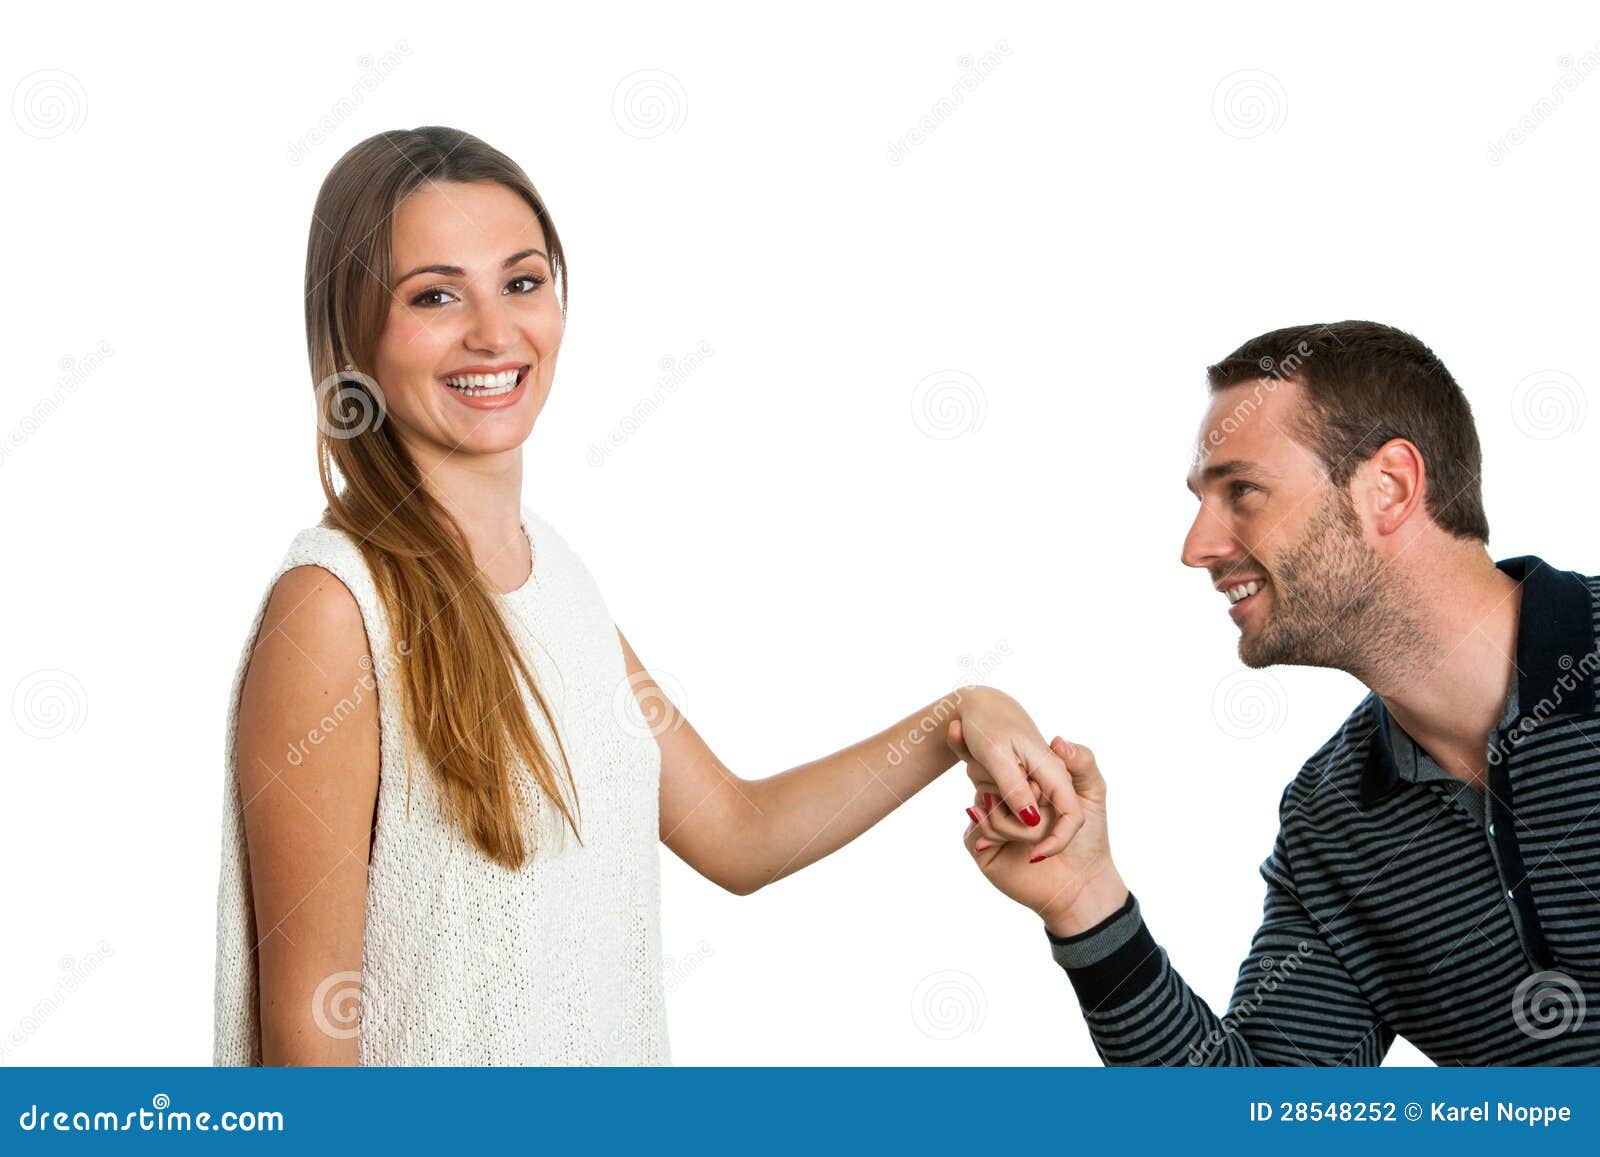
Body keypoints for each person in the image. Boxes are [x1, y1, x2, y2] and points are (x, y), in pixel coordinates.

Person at [212, 125, 1077, 1066]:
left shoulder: (555, 578)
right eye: (435, 295)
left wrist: (956, 720)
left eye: (522, 282)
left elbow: (738, 834)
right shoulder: (333, 610)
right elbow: (308, 1039)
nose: (495, 333)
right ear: (354, 331)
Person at [959, 321, 1600, 1064]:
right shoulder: (1334, 823)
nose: (1196, 548)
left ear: (1390, 487)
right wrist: (1086, 900)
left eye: (1243, 491)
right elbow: (1249, 1115)